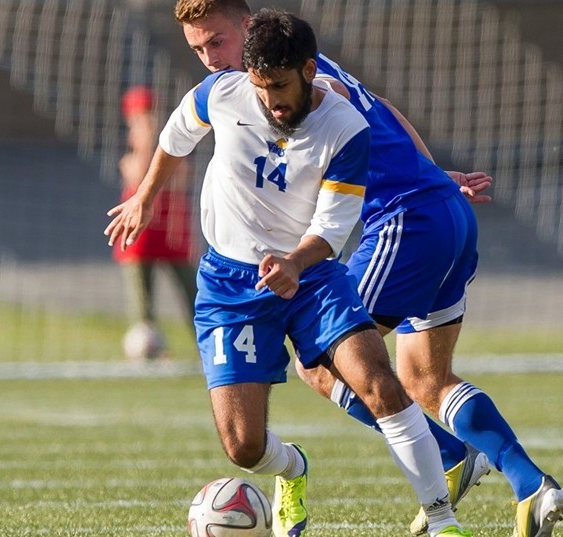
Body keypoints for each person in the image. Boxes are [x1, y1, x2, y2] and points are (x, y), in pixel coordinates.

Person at [172, 1, 563, 535]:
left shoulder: (286, 81)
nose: (210, 60)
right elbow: (381, 106)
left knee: (325, 364)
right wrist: (430, 172)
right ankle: (532, 486)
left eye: (216, 43)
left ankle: (449, 462)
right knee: (425, 377)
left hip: (403, 223)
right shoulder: (304, 65)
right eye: (197, 49)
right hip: (443, 213)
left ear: (248, 29)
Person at [105, 10, 472, 537]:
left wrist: (294, 264)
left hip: (311, 276)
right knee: (243, 446)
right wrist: (144, 197)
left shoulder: (345, 127)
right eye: (261, 89)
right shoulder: (224, 94)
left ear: (307, 70)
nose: (271, 101)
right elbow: (176, 135)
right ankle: (294, 469)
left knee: (377, 383)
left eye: (279, 86)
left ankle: (443, 522)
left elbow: (332, 225)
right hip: (230, 285)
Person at [113, 85, 198, 361]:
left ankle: (207, 346)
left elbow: (179, 178)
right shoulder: (130, 158)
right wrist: (145, 142)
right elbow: (138, 178)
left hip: (172, 235)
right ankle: (149, 349)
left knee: (193, 295)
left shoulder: (173, 148)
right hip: (139, 236)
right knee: (142, 302)